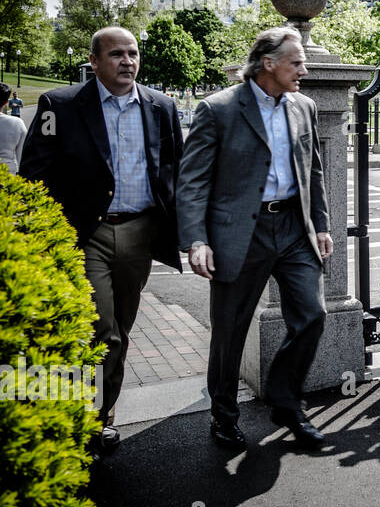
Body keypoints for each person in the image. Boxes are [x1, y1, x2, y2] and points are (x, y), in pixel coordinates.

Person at [18, 28, 184, 455]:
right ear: (94, 61)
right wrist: (38, 234)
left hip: (141, 235)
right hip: (86, 234)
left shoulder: (162, 107)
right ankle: (93, 418)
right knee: (101, 330)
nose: (127, 61)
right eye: (116, 54)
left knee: (121, 329)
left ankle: (98, 409)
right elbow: (35, 174)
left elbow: (175, 172)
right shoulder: (61, 105)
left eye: (133, 53)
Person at [176, 27, 332, 451]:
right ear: (268, 64)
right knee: (230, 332)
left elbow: (313, 171)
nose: (303, 69)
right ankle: (223, 416)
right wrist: (196, 240)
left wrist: (320, 225)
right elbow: (191, 181)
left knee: (312, 315)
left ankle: (285, 401)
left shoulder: (305, 107)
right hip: (240, 233)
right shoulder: (219, 108)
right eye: (296, 62)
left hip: (294, 231)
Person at [0, 82, 25, 172]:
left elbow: (22, 106)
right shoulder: (18, 124)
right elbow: (21, 155)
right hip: (8, 173)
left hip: (17, 114)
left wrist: (17, 105)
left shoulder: (19, 100)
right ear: (6, 102)